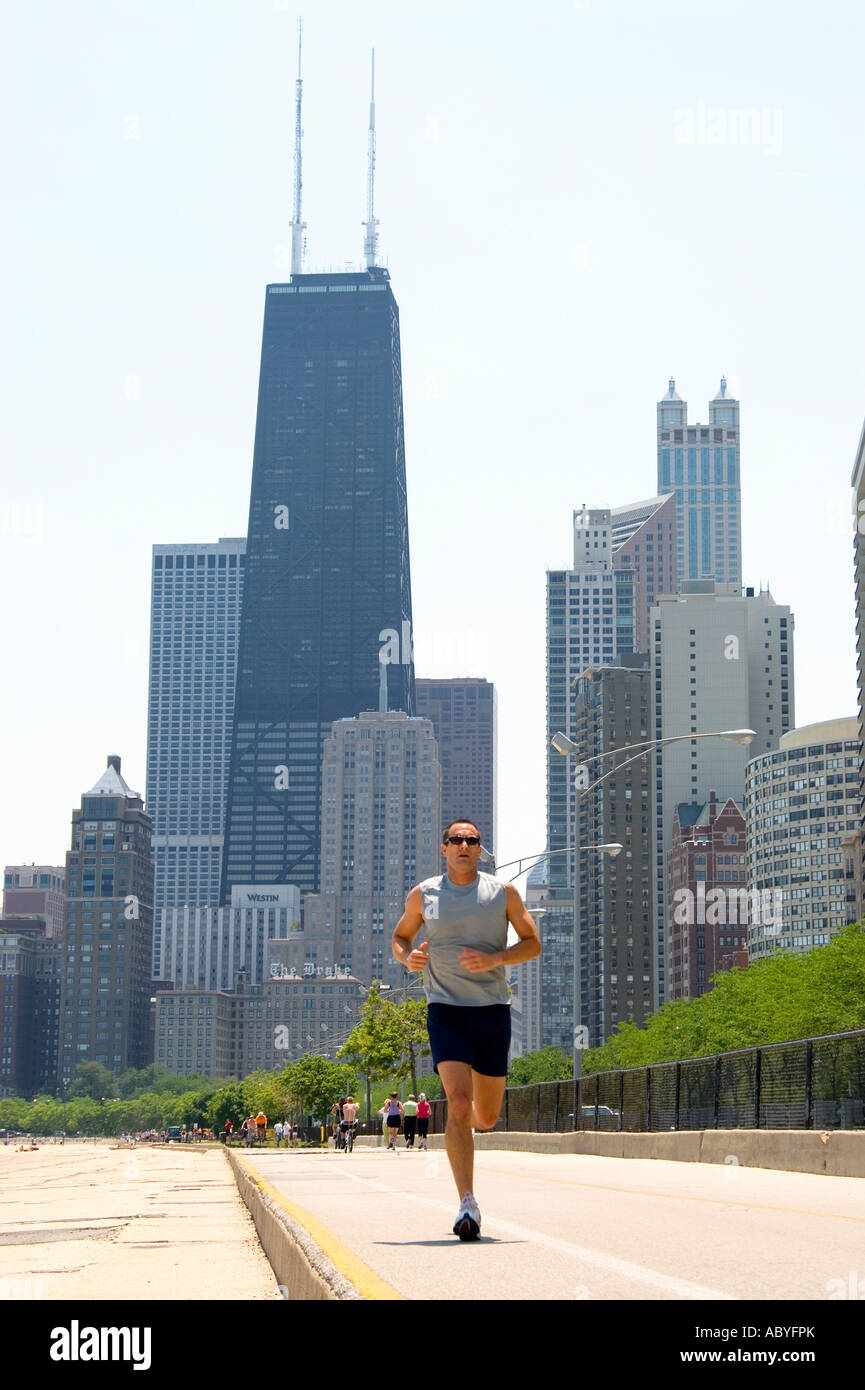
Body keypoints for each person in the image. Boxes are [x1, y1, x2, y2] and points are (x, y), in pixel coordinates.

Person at [392, 817, 541, 1241]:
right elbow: (400, 938)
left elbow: (532, 943)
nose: (463, 845)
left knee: (487, 1116)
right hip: (446, 1009)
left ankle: (471, 1128)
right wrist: (408, 959)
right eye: (455, 840)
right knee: (458, 1103)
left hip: (491, 1009)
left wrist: (496, 960)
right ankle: (467, 1203)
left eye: (471, 840)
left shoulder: (502, 893)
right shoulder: (425, 894)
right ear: (444, 848)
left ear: (481, 849)